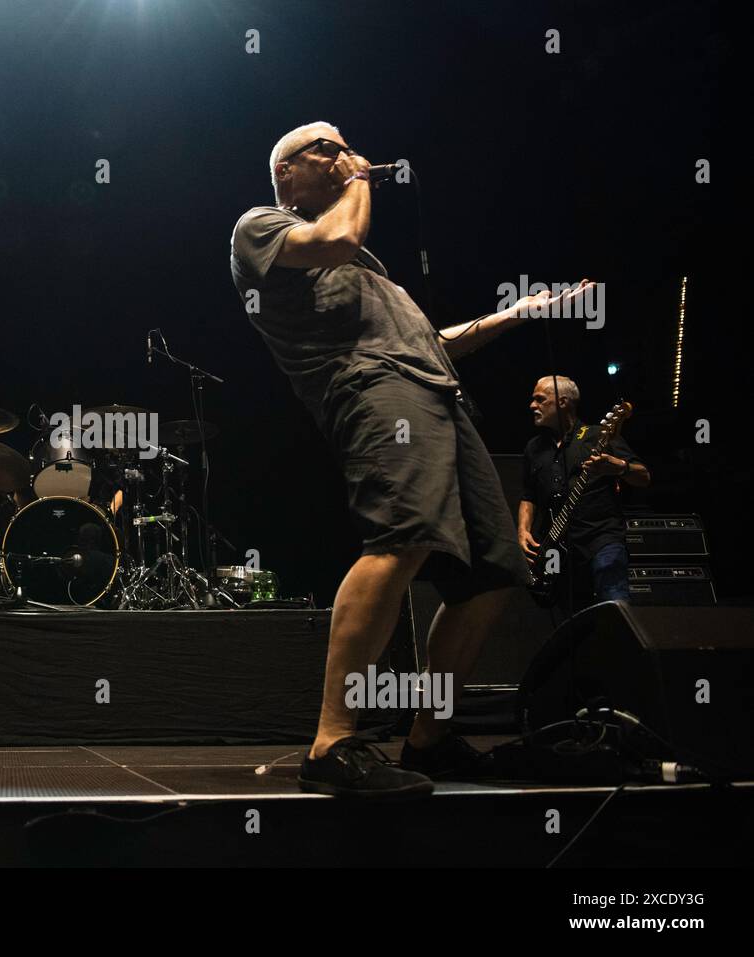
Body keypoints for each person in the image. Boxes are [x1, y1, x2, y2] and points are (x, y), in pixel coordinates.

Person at [230, 120, 595, 798]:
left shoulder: (367, 273)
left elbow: (434, 340)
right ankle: (332, 741)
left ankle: (431, 736)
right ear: (286, 173)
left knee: (493, 571)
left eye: (345, 147)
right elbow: (339, 236)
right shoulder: (261, 227)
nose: (341, 154)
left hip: (435, 391)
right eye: (324, 148)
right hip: (375, 391)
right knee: (403, 538)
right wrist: (360, 178)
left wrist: (522, 312)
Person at [518, 375, 650, 612]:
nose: (532, 406)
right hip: (558, 546)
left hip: (601, 537)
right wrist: (523, 530)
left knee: (613, 606)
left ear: (563, 402)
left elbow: (644, 477)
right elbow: (528, 496)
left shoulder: (598, 435)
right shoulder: (533, 448)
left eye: (540, 399)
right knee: (571, 616)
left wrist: (619, 467)